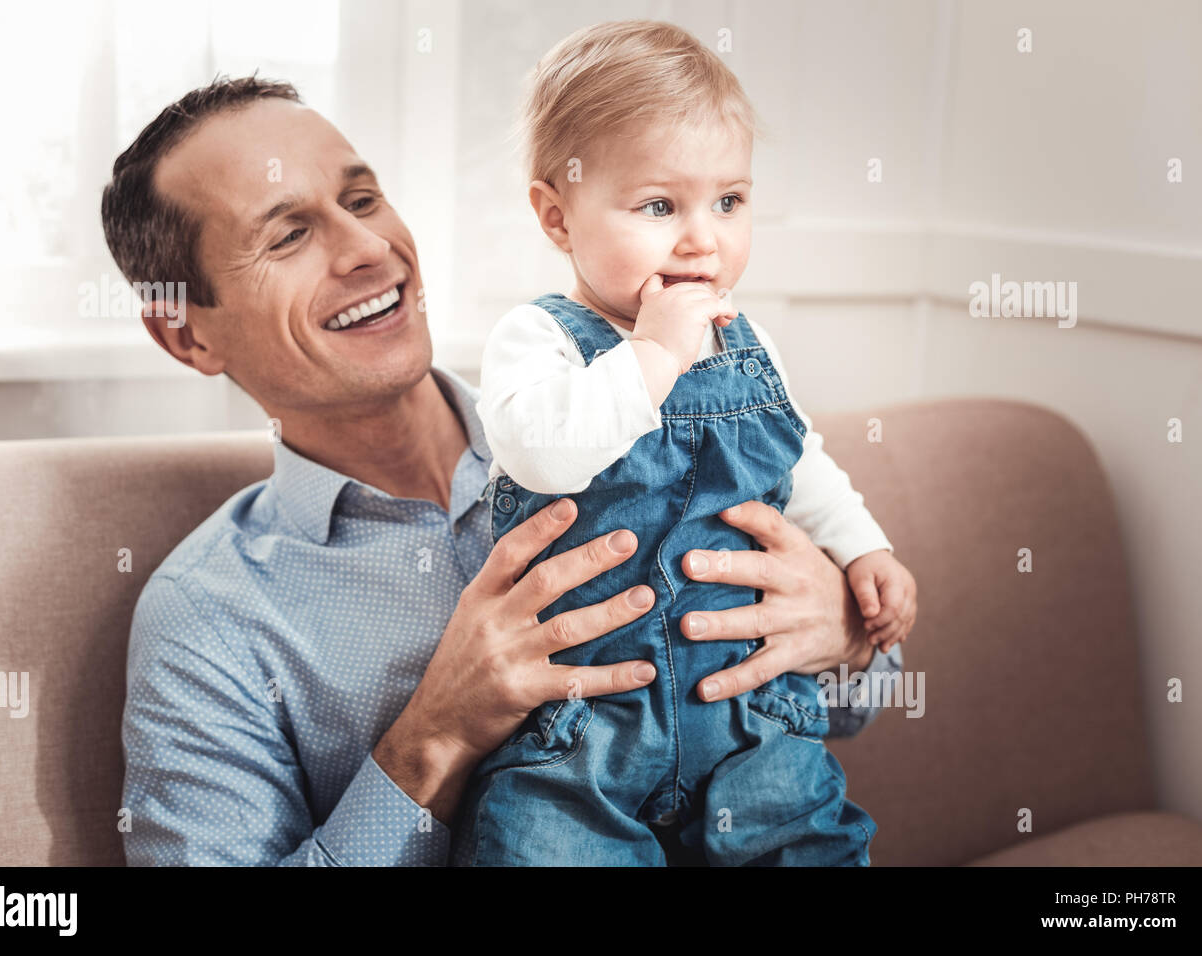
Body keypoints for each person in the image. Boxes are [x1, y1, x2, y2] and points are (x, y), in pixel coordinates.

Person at [102, 73, 907, 866]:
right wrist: (433, 738)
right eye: (287, 235)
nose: (367, 249)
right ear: (187, 335)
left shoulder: (629, 412)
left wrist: (846, 633)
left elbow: (860, 699)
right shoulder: (209, 620)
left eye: (361, 200)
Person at [452, 20, 918, 866]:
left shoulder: (747, 340)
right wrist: (654, 356)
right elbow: (540, 454)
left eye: (729, 202)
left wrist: (861, 547)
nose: (703, 238)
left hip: (749, 707)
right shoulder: (539, 338)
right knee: (543, 844)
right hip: (588, 726)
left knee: (808, 841)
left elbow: (797, 456)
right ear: (556, 217)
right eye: (659, 206)